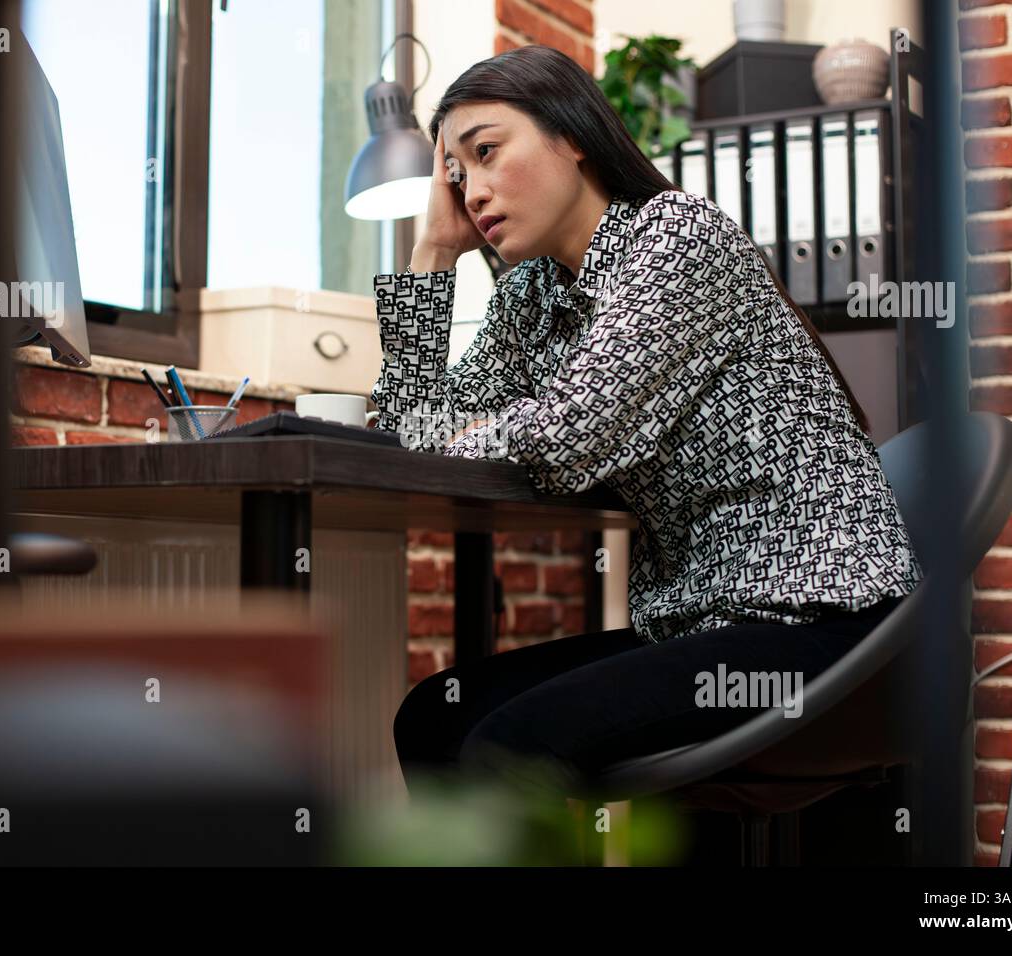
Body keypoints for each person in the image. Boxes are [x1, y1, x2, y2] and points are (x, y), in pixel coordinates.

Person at [370, 45, 924, 802]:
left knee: (508, 746)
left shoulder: (674, 237)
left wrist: (490, 431)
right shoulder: (532, 296)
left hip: (820, 619)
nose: (474, 191)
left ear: (572, 137)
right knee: (434, 718)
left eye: (489, 152)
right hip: (705, 623)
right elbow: (413, 428)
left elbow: (569, 438)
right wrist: (433, 251)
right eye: (458, 175)